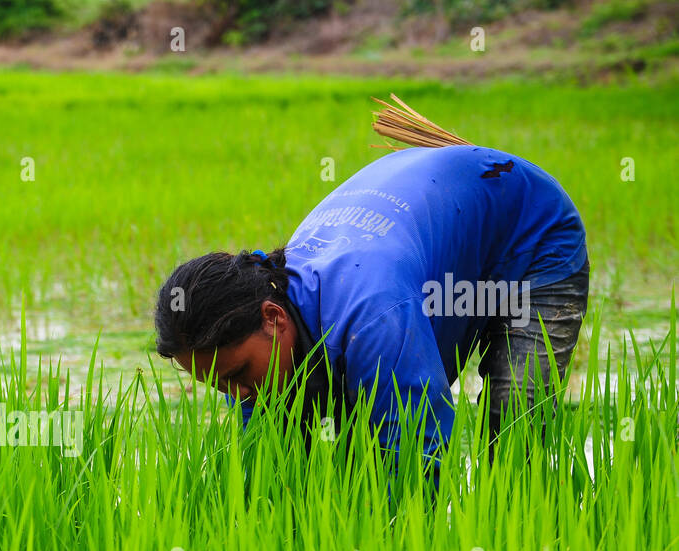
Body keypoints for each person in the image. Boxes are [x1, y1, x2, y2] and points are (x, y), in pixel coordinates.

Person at [153, 145, 589, 467]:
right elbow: (273, 466)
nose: (238, 397)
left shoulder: (370, 314)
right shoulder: (241, 358)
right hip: (437, 240)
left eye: (236, 376)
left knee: (513, 430)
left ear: (274, 317)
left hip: (530, 238)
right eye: (218, 386)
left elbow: (419, 454)